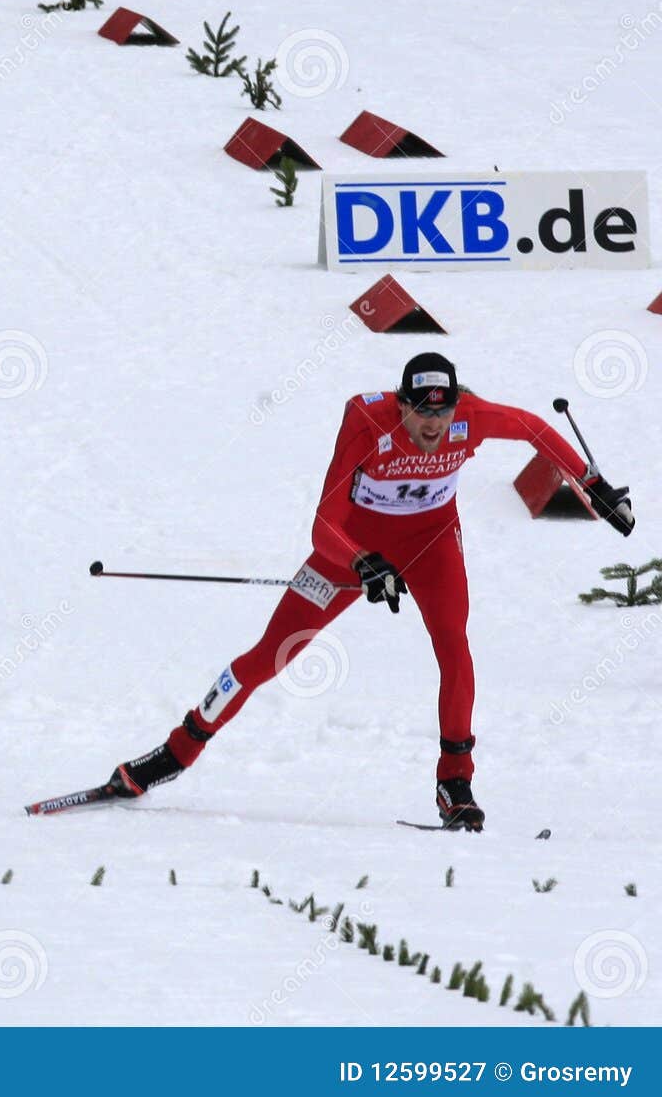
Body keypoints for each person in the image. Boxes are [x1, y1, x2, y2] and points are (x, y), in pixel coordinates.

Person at [107, 352, 635, 831]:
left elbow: (535, 428)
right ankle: (175, 752)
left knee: (454, 646)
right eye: (421, 412)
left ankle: (454, 782)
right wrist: (364, 563)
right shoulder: (366, 422)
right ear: (401, 405)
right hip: (351, 548)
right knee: (271, 655)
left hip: (431, 545)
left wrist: (595, 487)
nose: (433, 424)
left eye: (444, 412)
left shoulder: (470, 417)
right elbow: (323, 527)